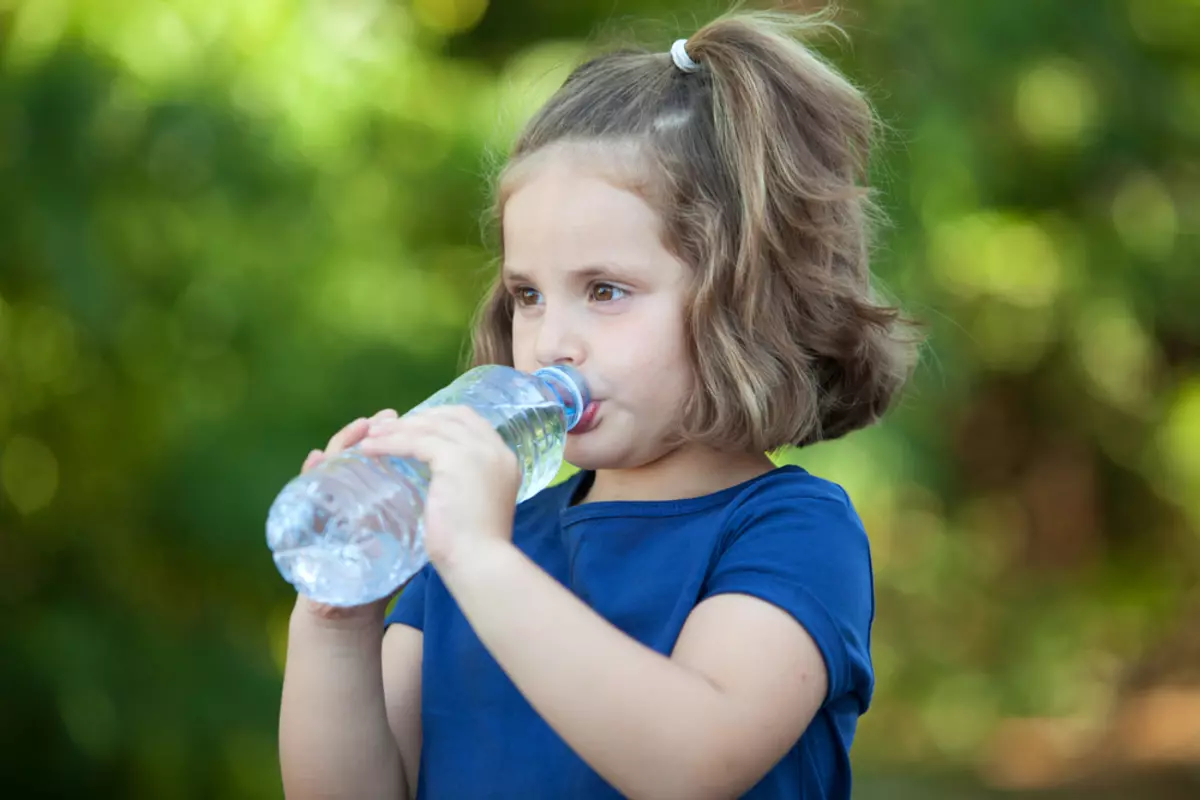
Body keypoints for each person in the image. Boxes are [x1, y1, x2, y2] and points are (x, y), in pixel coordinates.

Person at [279, 8, 919, 799]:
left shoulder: (791, 532)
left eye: (605, 290)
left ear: (743, 301)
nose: (551, 341)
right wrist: (334, 621)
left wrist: (481, 559)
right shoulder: (481, 538)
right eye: (528, 296)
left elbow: (691, 761)